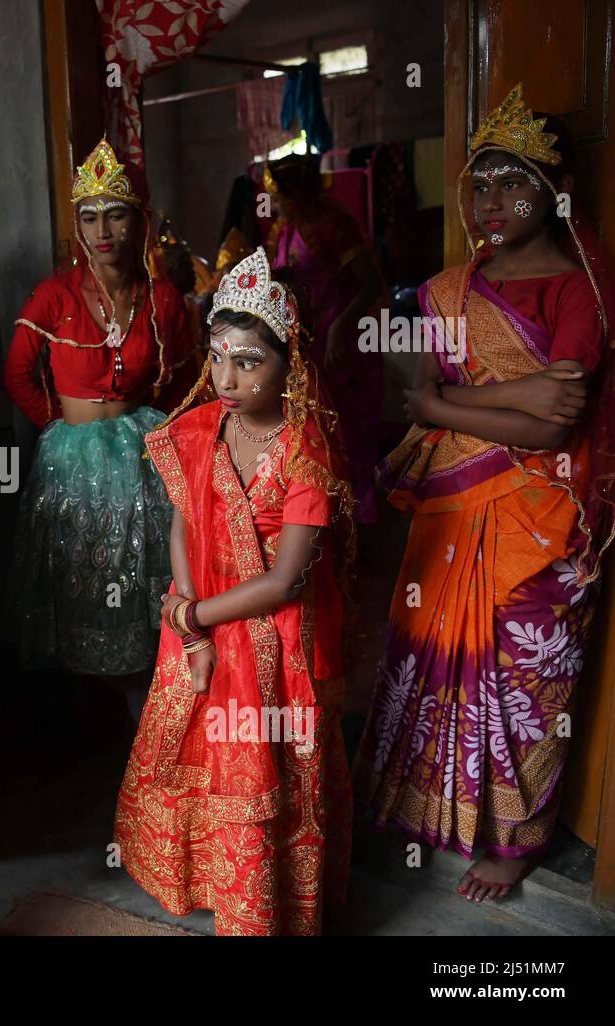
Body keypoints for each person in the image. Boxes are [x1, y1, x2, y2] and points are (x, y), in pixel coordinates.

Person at [357, 86, 615, 902]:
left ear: (555, 194)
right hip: (455, 513)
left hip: (542, 518)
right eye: (481, 184)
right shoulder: (445, 292)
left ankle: (516, 839)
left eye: (516, 185)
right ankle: (430, 809)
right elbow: (421, 398)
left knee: (524, 681)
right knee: (441, 663)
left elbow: (556, 423)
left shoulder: (579, 292)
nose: (494, 204)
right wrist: (503, 397)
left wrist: (452, 406)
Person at [114, 247, 354, 936]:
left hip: (273, 642)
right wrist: (189, 629)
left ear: (290, 365)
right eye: (218, 356)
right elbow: (184, 521)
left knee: (260, 769)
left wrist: (194, 615)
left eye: (249, 360)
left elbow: (285, 581)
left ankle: (268, 904)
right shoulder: (200, 428)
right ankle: (215, 886)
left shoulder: (307, 448)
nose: (227, 376)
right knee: (196, 760)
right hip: (196, 619)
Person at [2, 137, 197, 700]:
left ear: (140, 222)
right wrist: (58, 428)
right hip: (73, 455)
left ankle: (145, 701)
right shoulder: (54, 294)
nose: (102, 230)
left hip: (142, 450)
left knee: (140, 575)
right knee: (80, 574)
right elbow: (16, 373)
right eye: (89, 217)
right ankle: (81, 719)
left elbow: (186, 384)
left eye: (116, 215)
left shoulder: (162, 299)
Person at [265, 154, 385, 523]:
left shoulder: (335, 227)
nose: (278, 205)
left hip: (340, 344)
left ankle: (358, 518)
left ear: (300, 192)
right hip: (305, 345)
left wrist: (339, 328)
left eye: (282, 196)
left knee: (346, 429)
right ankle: (319, 516)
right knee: (312, 432)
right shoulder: (285, 230)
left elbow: (371, 285)